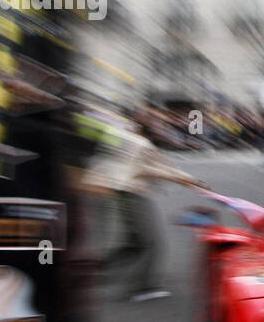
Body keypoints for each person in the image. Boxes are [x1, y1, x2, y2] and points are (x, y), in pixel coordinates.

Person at [83, 119, 201, 302]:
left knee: (135, 242)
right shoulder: (142, 143)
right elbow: (155, 168)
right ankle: (143, 287)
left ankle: (94, 269)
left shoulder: (122, 138)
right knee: (151, 242)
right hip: (132, 193)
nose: (164, 133)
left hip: (119, 191)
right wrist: (189, 180)